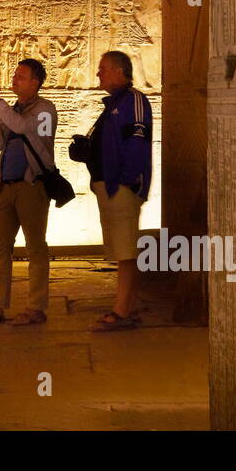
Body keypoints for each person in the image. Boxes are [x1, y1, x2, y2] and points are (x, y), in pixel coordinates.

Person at [0, 59, 57, 326]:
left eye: (21, 76)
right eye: (15, 75)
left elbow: (22, 128)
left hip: (32, 186)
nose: (14, 79)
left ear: (35, 83)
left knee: (35, 247)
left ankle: (36, 307)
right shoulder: (12, 109)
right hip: (6, 185)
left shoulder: (45, 110)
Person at [88, 50, 153, 332]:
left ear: (118, 71)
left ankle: (123, 311)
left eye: (103, 68)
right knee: (120, 249)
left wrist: (128, 181)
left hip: (122, 186)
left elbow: (137, 140)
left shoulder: (133, 99)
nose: (99, 74)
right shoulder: (113, 104)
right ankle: (126, 305)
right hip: (110, 185)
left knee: (126, 251)